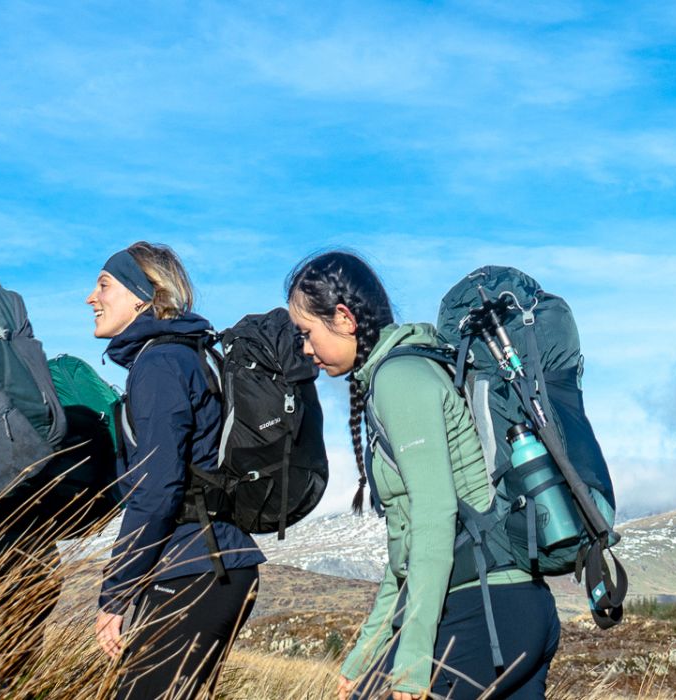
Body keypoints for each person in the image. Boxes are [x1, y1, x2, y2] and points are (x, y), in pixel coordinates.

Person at [284, 251, 559, 700]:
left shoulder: (400, 380)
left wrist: (410, 665)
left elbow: (433, 516)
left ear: (344, 317)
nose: (306, 349)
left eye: (307, 333)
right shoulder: (413, 368)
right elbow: (405, 558)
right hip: (517, 607)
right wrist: (365, 654)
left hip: (481, 611)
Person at [91, 242, 263, 700]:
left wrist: (115, 593)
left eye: (104, 285)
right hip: (211, 564)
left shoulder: (160, 364)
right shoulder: (186, 353)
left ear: (142, 297)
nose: (91, 298)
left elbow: (157, 488)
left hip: (194, 568)